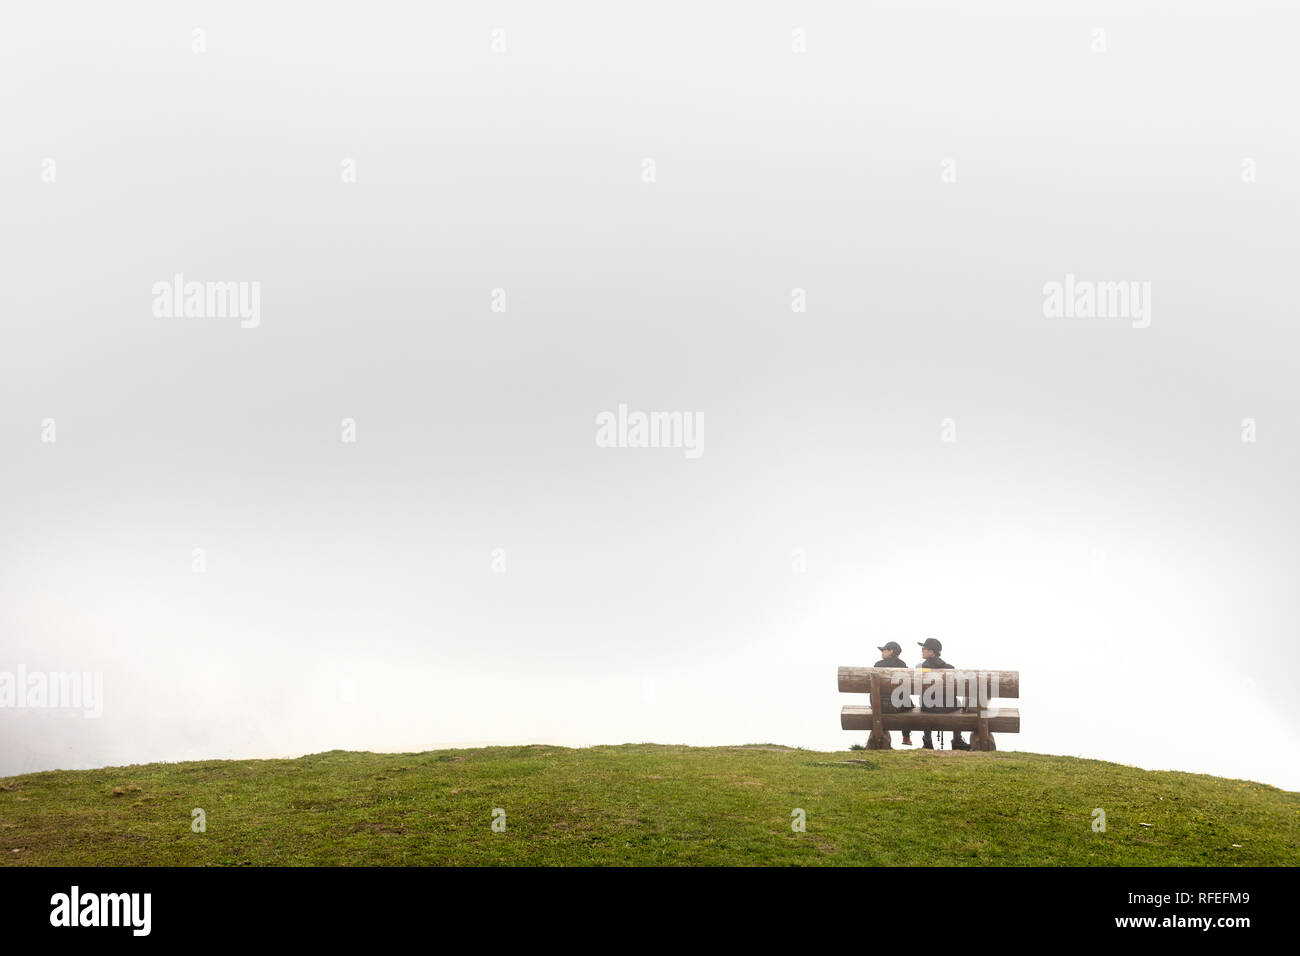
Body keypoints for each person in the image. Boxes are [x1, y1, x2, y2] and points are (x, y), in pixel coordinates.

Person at [916, 638, 971, 750]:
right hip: (948, 707)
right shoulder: (950, 668)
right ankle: (957, 740)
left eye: (924, 648)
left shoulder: (920, 668)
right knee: (958, 703)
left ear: (931, 652)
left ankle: (927, 741)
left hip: (928, 707)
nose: (922, 650)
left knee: (923, 700)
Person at [874, 641, 914, 747]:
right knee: (908, 706)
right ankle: (906, 736)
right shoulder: (902, 665)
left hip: (879, 705)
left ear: (891, 651)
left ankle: (878, 736)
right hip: (896, 706)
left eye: (884, 650)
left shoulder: (877, 665)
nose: (882, 652)